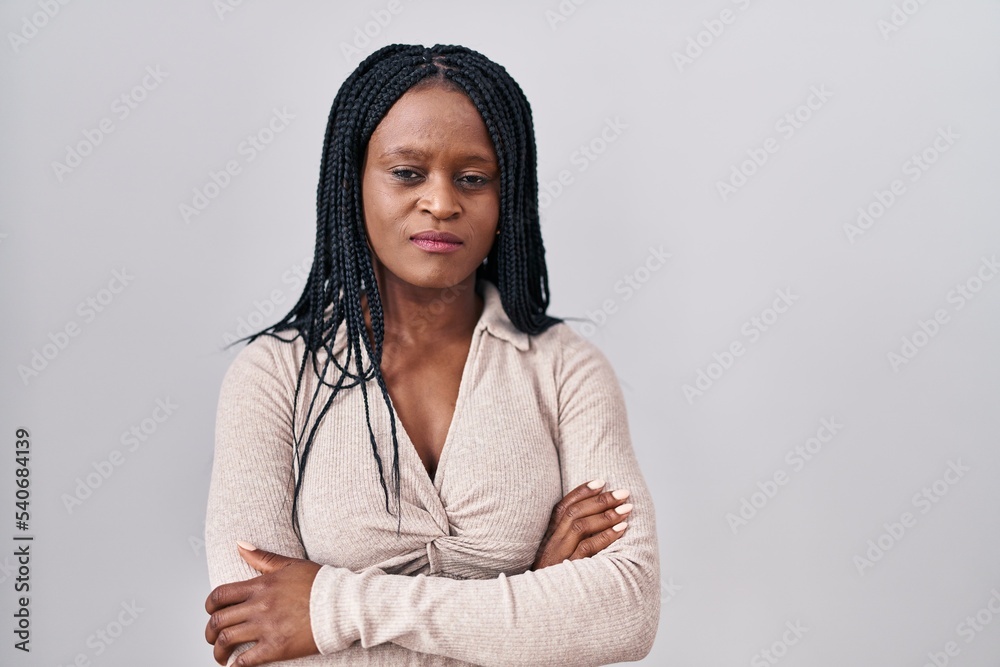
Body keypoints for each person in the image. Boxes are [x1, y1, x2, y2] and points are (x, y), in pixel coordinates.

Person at [203, 43, 660, 666]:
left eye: (473, 178)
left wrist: (331, 606)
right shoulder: (274, 377)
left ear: (506, 195)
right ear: (353, 182)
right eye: (407, 173)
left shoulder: (566, 370)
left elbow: (626, 612)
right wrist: (533, 593)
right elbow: (253, 635)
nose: (442, 203)